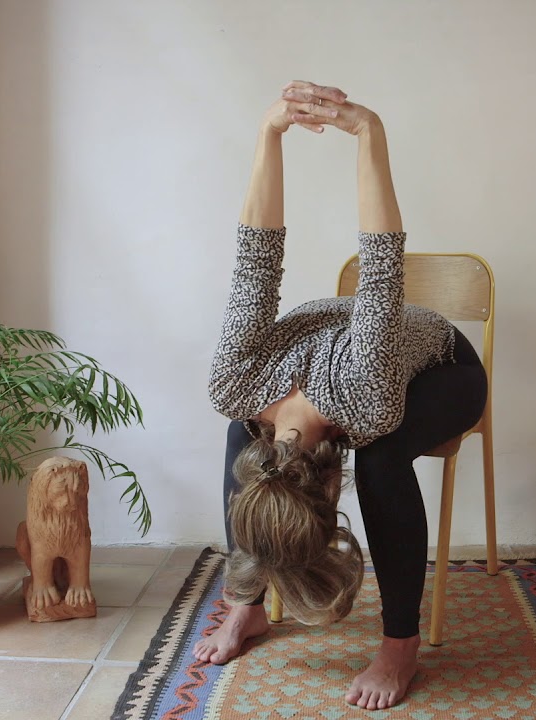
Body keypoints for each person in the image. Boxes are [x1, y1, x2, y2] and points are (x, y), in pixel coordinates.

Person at [194, 80, 488, 711]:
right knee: (235, 430)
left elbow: (378, 266)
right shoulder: (240, 388)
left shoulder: (359, 396)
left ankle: (400, 645)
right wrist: (271, 133)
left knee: (380, 457)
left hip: (444, 363)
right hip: (353, 339)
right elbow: (259, 260)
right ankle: (245, 609)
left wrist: (365, 132)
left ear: (332, 489)